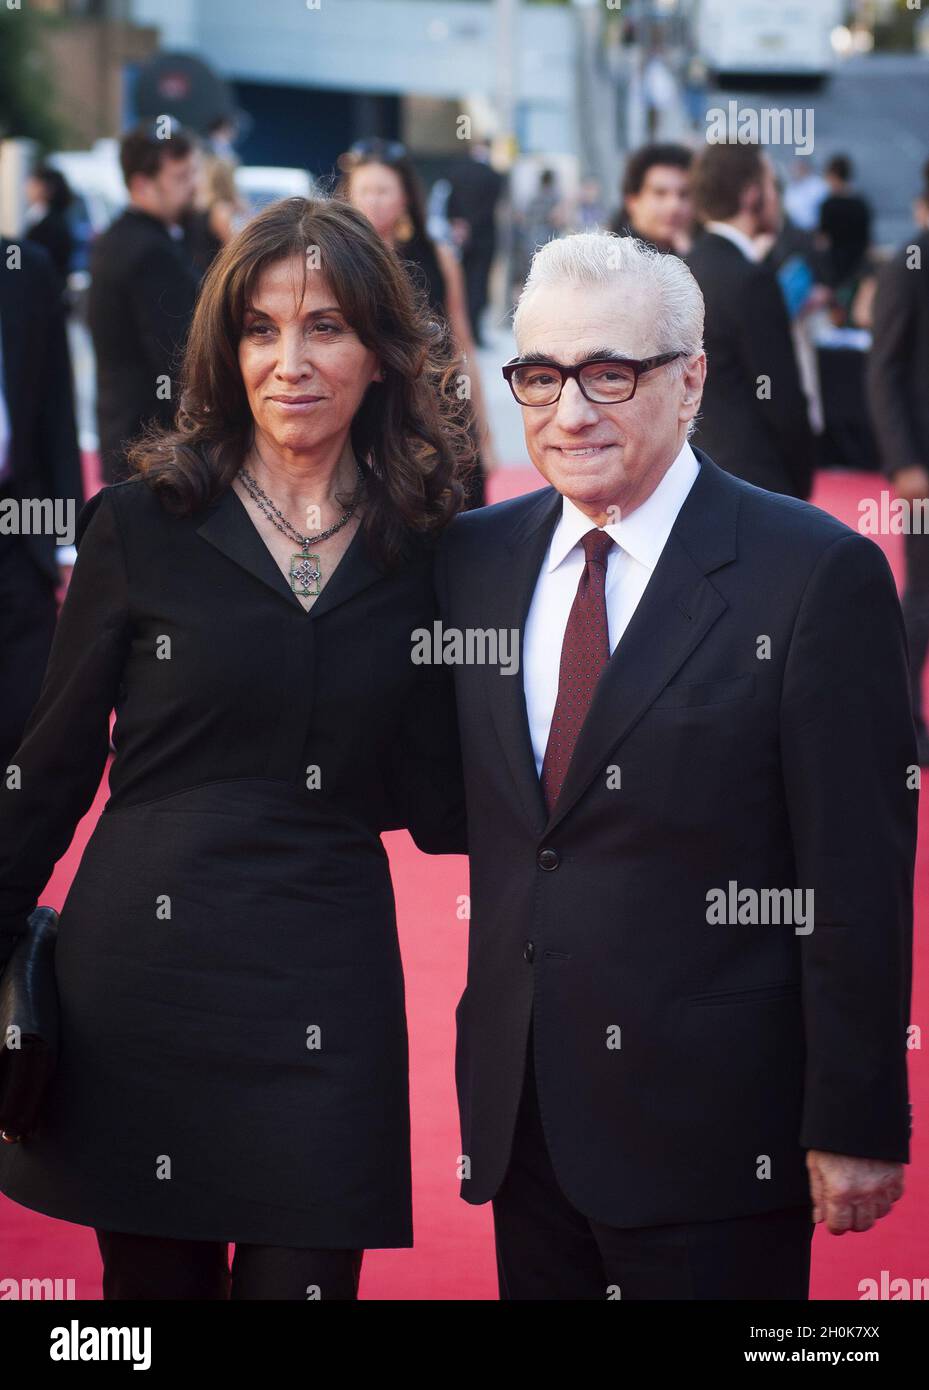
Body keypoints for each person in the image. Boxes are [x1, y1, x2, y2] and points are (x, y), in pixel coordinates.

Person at [0, 197, 470, 1300]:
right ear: (225, 346)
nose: (289, 360)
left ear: (379, 355)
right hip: (141, 984)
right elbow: (49, 768)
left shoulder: (428, 549)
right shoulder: (142, 522)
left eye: (325, 327)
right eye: (260, 328)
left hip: (325, 980)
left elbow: (446, 795)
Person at [436, 231, 916, 1301]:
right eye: (540, 376)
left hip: (715, 1135)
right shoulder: (474, 561)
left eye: (611, 373)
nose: (570, 411)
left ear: (692, 378)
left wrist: (853, 1114)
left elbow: (855, 873)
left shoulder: (812, 575)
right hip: (523, 1122)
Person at [340, 137, 497, 506]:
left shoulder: (437, 257)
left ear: (405, 196)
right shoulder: (339, 264)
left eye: (383, 190)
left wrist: (485, 435)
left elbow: (462, 345)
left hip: (440, 412)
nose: (373, 199)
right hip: (369, 417)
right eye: (364, 190)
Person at [686, 144, 817, 498]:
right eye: (773, 186)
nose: (778, 199)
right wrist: (798, 489)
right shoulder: (750, 279)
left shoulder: (682, 268)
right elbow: (781, 398)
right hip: (756, 483)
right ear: (751, 195)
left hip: (693, 475)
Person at [0, 238, 83, 770]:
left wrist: (66, 537)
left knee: (26, 719)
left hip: (18, 521)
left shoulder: (26, 270)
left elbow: (57, 410)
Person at [87, 120, 200, 484]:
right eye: (181, 177)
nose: (193, 186)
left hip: (125, 437)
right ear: (141, 185)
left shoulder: (118, 239)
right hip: (152, 446)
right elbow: (178, 355)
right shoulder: (150, 252)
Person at [867, 158, 929, 768]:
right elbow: (883, 367)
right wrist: (903, 460)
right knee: (924, 601)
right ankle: (902, 719)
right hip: (924, 464)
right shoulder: (910, 262)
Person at [445, 139, 505, 348]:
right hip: (484, 237)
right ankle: (474, 332)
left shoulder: (457, 171)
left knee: (460, 282)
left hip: (461, 238)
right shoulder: (493, 176)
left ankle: (461, 331)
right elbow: (491, 207)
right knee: (479, 284)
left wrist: (459, 225)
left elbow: (450, 202)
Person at [608, 142, 693, 255]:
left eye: (684, 194)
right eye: (660, 193)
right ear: (632, 201)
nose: (674, 205)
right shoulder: (613, 257)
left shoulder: (700, 252)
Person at [817, 154, 872, 298]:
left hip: (836, 272)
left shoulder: (828, 205)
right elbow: (868, 241)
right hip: (857, 270)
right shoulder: (861, 204)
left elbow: (822, 241)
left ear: (834, 175)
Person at [22, 165, 74, 298]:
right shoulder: (41, 218)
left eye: (33, 183)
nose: (27, 187)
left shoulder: (51, 224)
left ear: (45, 188)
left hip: (43, 296)